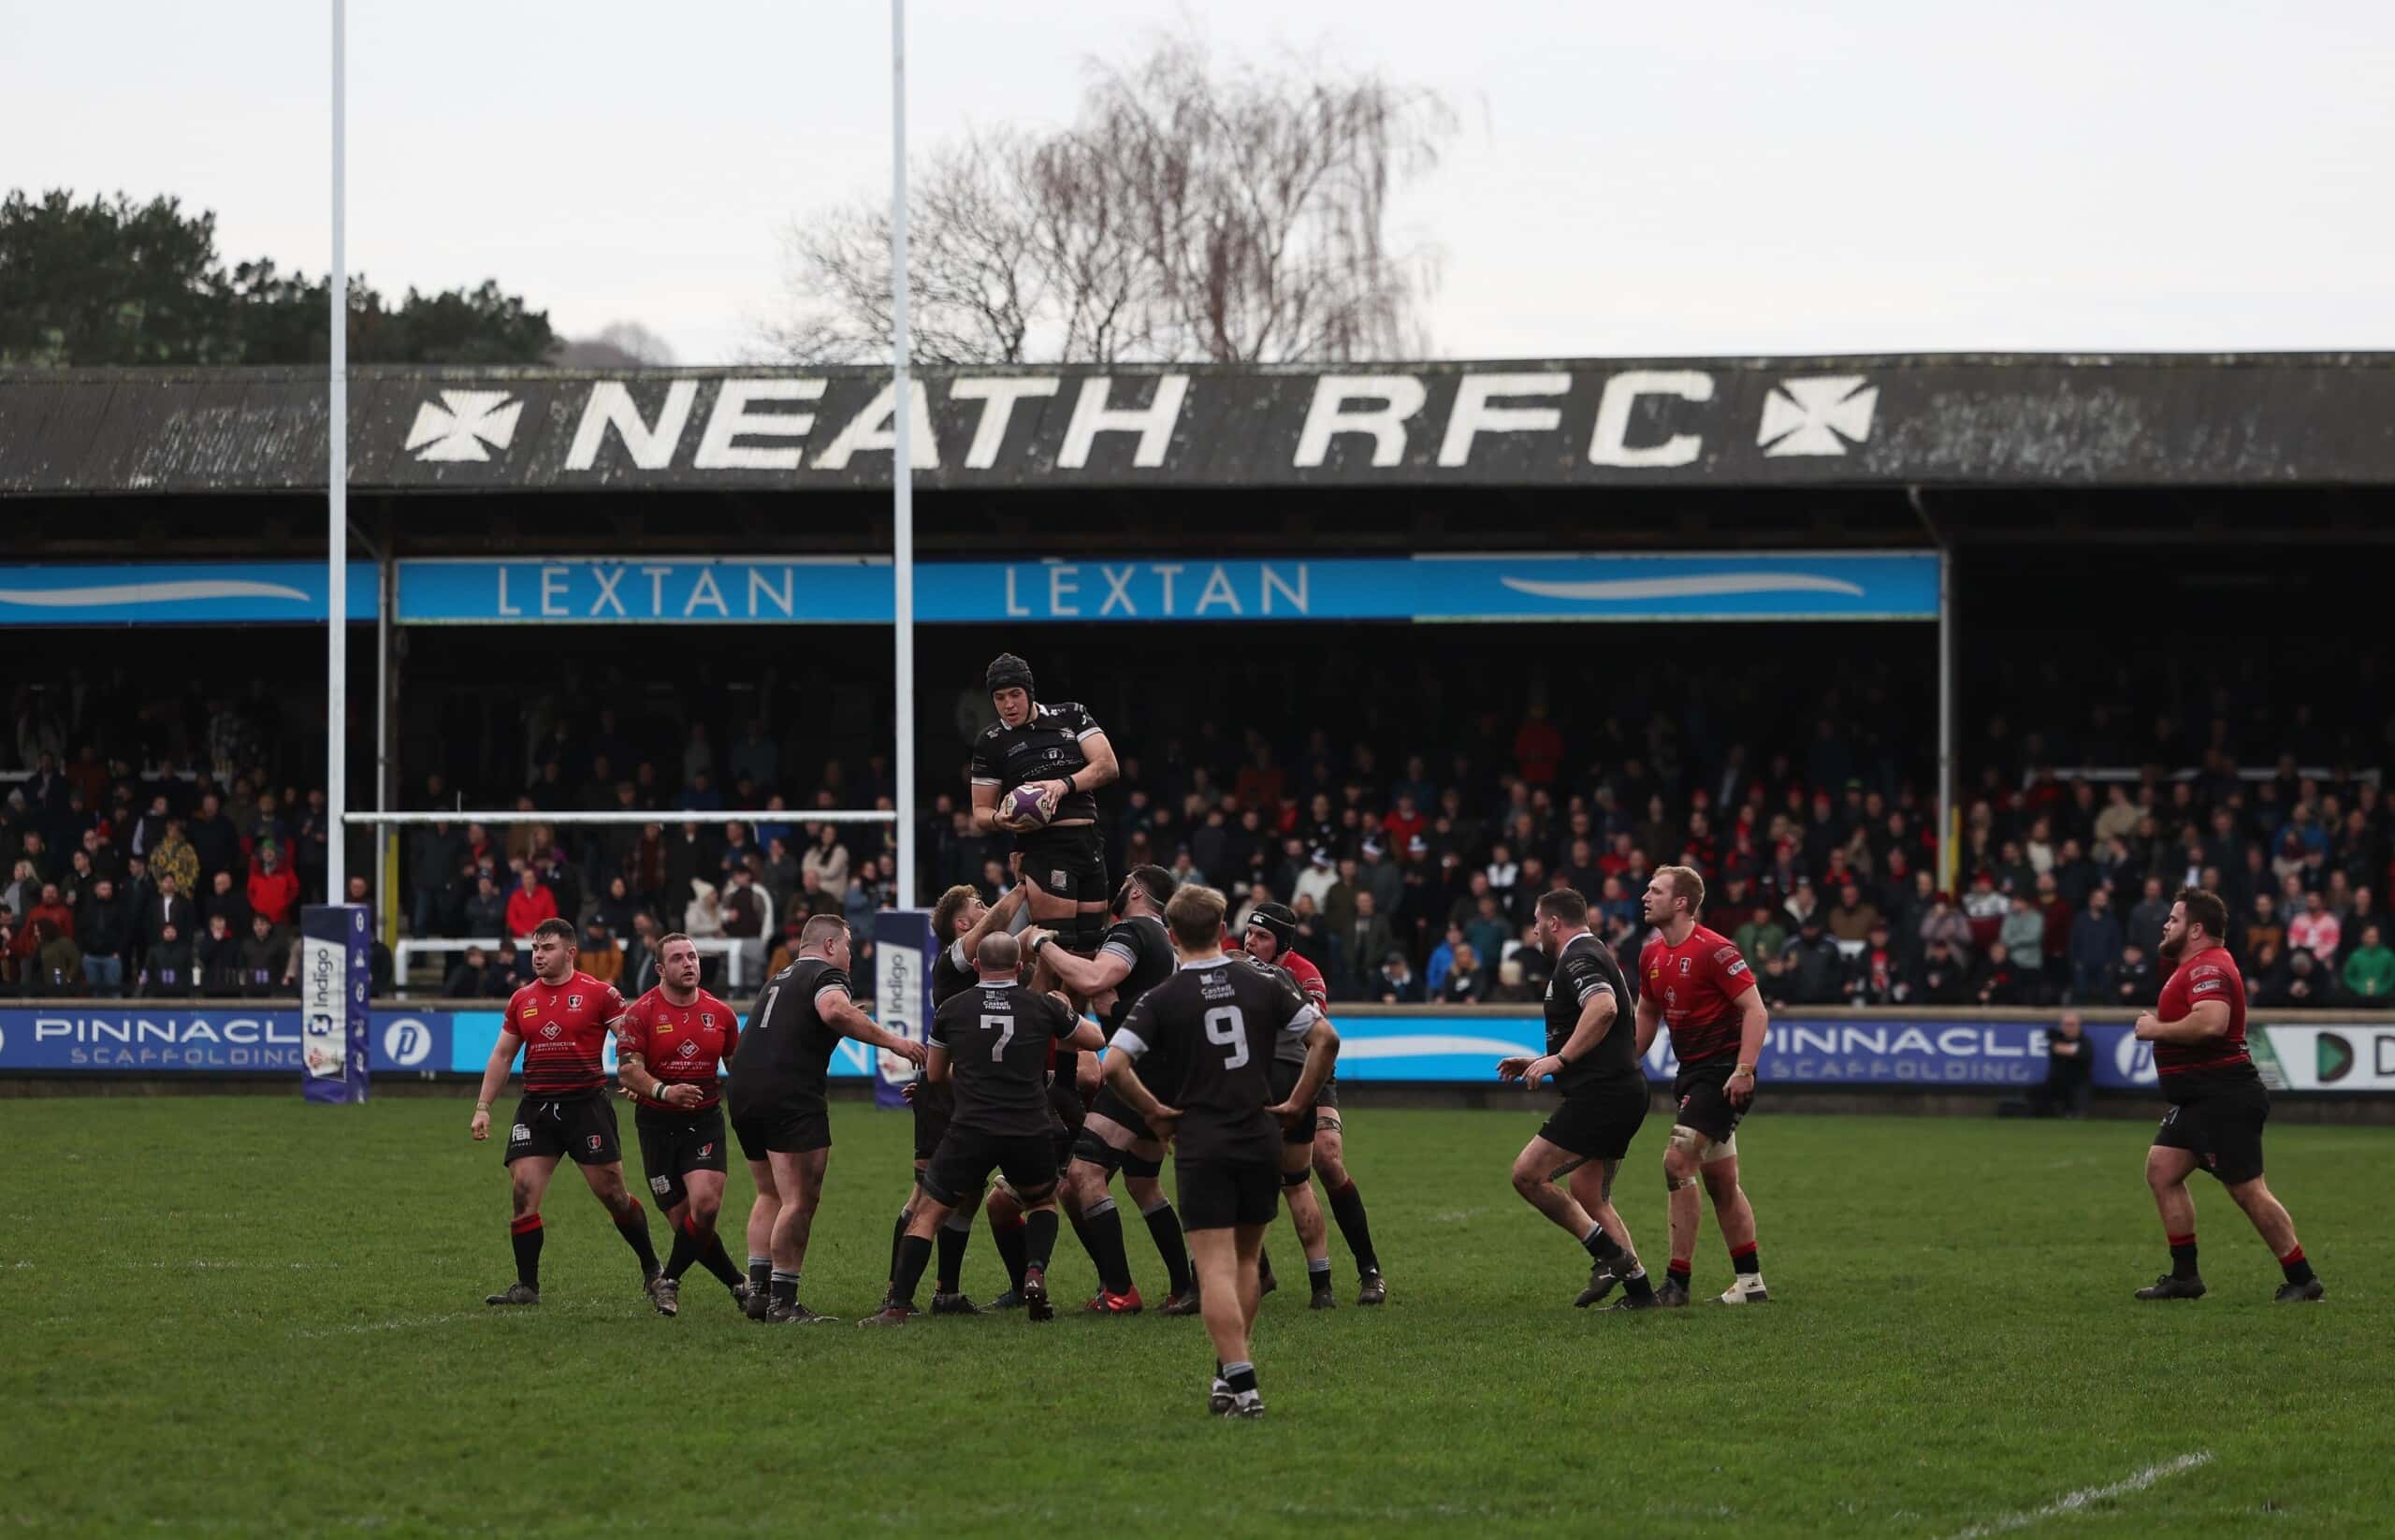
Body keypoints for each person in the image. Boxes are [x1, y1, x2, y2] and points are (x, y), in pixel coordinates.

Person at [1098, 884, 1337, 1418]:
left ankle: (1245, 1384)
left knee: (1214, 1270)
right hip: (1259, 1133)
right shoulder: (1263, 984)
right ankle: (1227, 1377)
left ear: (1174, 934)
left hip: (1202, 1140)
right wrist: (1299, 1102)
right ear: (1223, 928)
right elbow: (1326, 1039)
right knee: (1248, 1261)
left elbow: (1114, 1065)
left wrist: (1156, 1112)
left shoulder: (1162, 997)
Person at [859, 933, 1104, 1327]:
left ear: (976, 966)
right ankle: (1035, 1272)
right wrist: (1065, 1014)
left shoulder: (953, 1008)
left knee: (928, 1215)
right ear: (1019, 967)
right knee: (1042, 1203)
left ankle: (897, 1306)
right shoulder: (1041, 1006)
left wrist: (975, 1073)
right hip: (1029, 1126)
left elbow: (935, 1075)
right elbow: (1096, 1039)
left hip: (971, 1128)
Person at [725, 915, 925, 1324]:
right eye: (849, 948)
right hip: (789, 1093)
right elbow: (834, 1010)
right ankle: (784, 1303)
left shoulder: (780, 977)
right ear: (831, 946)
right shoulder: (827, 973)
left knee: (770, 1194)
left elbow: (813, 1018)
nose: (850, 956)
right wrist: (896, 1042)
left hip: (743, 1090)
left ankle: (760, 1294)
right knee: (800, 1197)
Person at [2132, 889, 2323, 1303]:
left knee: (2248, 1191)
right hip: (2201, 1099)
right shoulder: (2197, 966)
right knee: (2162, 1169)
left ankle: (2302, 1278)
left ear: (2196, 929)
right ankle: (2185, 1277)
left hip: (2223, 1096)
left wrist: (2155, 1029)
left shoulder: (2209, 968)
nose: (2166, 925)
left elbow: (2211, 1023)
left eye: (2174, 919)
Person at [467, 917, 660, 1308]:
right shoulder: (522, 998)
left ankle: (652, 1268)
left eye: (547, 948)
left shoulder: (600, 993)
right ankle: (527, 1287)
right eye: (535, 949)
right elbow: (503, 1054)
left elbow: (631, 1040)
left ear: (570, 952)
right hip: (536, 1107)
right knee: (522, 1191)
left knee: (613, 1195)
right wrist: (483, 1107)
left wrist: (638, 1077)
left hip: (586, 1106)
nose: (538, 956)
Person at [1025, 865, 1186, 1315]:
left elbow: (1095, 980)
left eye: (1122, 884)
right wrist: (1115, 1011)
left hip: (1138, 1072)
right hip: (1162, 1070)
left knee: (1084, 1176)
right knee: (1143, 1183)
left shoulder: (1132, 930)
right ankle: (1184, 1286)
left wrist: (1042, 944)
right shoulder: (1166, 944)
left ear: (1135, 891)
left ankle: (1119, 1291)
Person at [1497, 888, 1659, 1312]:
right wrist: (1542, 1060)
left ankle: (1608, 1255)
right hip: (1621, 1090)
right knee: (1589, 1192)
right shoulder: (1592, 952)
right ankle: (1640, 1293)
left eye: (1536, 921)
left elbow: (1603, 1008)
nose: (1534, 930)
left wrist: (1559, 1059)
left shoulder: (1578, 956)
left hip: (1602, 1096)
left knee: (1528, 1175)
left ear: (1554, 922)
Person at [878, 880, 1028, 1319]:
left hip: (964, 1089)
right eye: (979, 906)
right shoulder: (952, 959)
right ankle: (894, 1291)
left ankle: (947, 1293)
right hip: (946, 1089)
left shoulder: (982, 966)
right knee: (926, 1194)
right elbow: (1000, 921)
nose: (989, 909)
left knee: (966, 1194)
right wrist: (1020, 888)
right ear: (964, 925)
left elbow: (1018, 943)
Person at [1633, 864, 1772, 1305]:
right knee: (1721, 1184)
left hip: (1722, 1075)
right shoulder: (1651, 955)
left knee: (1677, 1162)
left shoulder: (1716, 950)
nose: (1645, 896)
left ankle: (1678, 1283)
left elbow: (1756, 1010)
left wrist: (1744, 1069)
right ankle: (1750, 1285)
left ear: (1681, 902)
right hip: (1692, 1074)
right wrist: (1622, 1062)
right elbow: (1647, 1015)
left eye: (1655, 890)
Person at [1241, 901, 1387, 1308]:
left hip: (1310, 1073)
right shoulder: (1239, 964)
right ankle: (1263, 1272)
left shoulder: (1304, 975)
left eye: (1262, 937)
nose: (1251, 943)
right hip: (1261, 1074)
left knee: (1327, 1159)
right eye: (1249, 934)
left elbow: (1313, 1035)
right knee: (1250, 1168)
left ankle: (1369, 1270)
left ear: (1283, 944)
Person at [614, 934, 750, 1317]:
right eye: (677, 958)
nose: (689, 963)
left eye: (692, 956)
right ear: (660, 969)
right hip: (657, 1126)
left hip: (704, 1122)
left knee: (705, 1206)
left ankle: (668, 1279)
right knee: (685, 1224)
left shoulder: (721, 1014)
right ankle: (739, 1284)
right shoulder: (640, 1014)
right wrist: (663, 1091)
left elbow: (737, 1068)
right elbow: (628, 1072)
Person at [967, 652, 1120, 966]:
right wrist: (1001, 820)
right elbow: (981, 812)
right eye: (999, 697)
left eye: (1015, 695)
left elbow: (1108, 766)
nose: (1008, 704)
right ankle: (1043, 1014)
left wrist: (1063, 785)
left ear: (1029, 692)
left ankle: (1071, 1015)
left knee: (1089, 951)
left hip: (1090, 845)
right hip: (1044, 850)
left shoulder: (1071, 715)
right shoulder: (991, 741)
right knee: (1055, 949)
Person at [2040, 1010, 2094, 1118]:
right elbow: (2054, 1047)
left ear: (2079, 1026)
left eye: (2072, 1025)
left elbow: (2083, 1054)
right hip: (2057, 1083)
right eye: (2066, 1025)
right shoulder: (2056, 1037)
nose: (2069, 1028)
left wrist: (2065, 1050)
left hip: (2078, 1084)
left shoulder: (2085, 1041)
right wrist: (2071, 1051)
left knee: (2080, 1109)